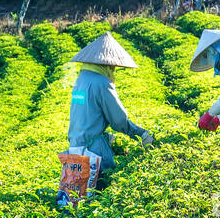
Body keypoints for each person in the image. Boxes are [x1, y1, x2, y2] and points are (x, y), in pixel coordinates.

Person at [66, 32, 154, 193]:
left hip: (75, 148)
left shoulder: (81, 80)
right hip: (93, 152)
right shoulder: (101, 82)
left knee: (77, 199)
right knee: (102, 194)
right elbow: (119, 120)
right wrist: (141, 134)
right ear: (108, 65)